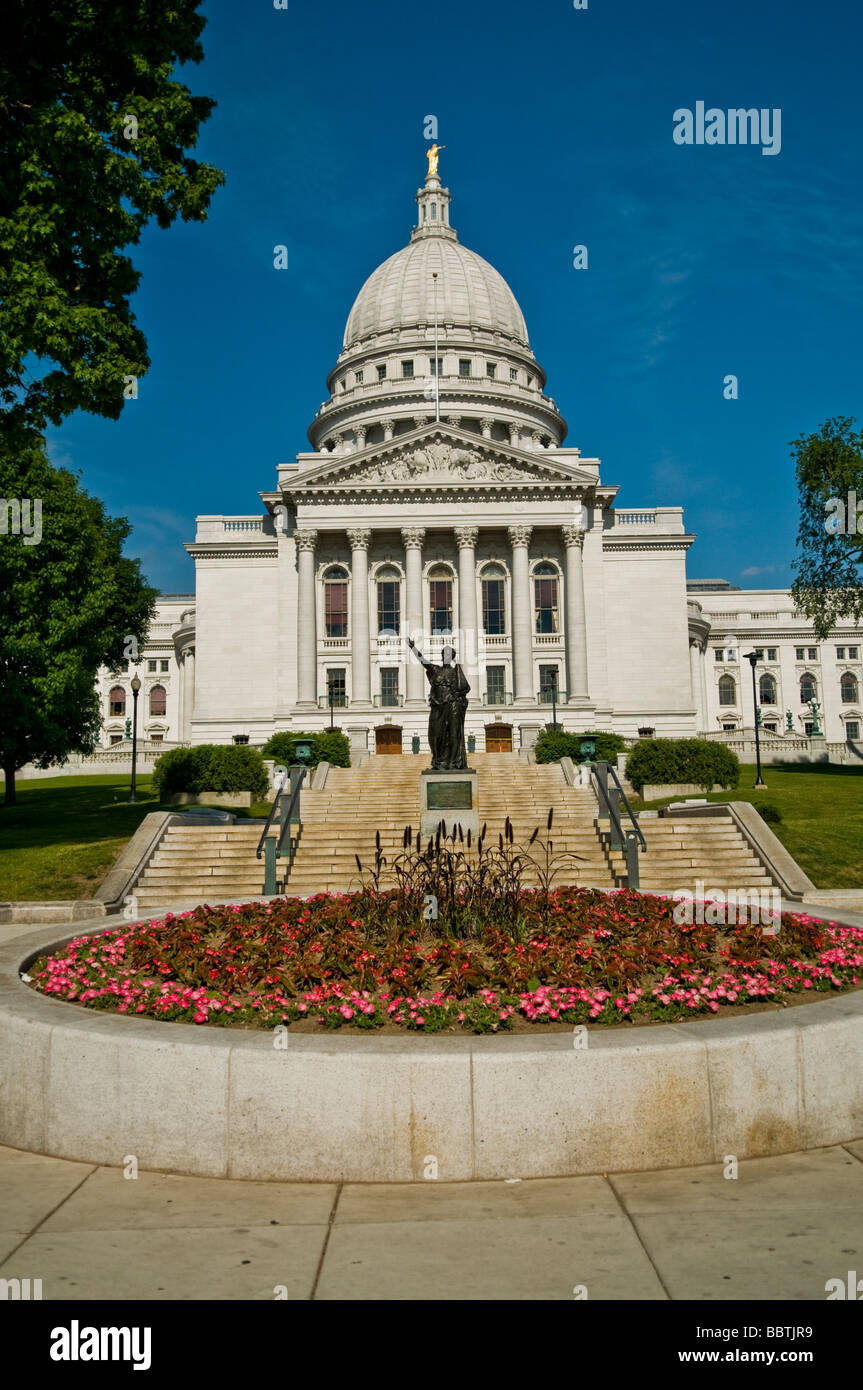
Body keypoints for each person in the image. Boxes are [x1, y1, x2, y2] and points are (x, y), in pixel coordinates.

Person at [407, 638, 470, 770]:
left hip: (452, 706)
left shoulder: (455, 671)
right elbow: (423, 661)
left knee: (453, 734)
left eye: (449, 654)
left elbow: (466, 688)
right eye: (444, 654)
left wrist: (456, 696)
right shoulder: (436, 670)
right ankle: (439, 760)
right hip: (438, 708)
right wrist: (413, 648)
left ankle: (453, 761)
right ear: (442, 656)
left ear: (452, 657)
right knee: (435, 735)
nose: (446, 656)